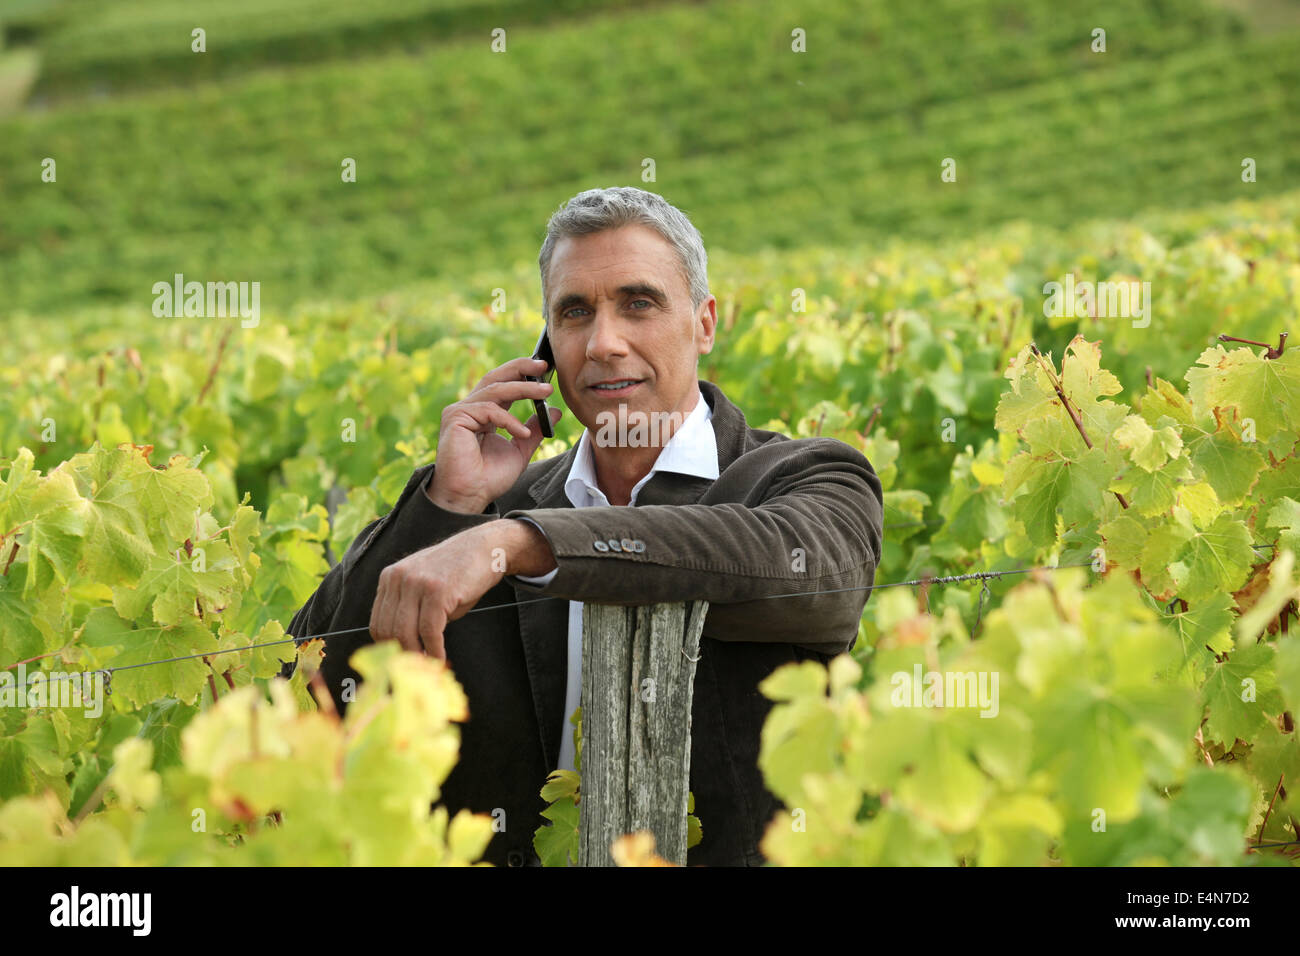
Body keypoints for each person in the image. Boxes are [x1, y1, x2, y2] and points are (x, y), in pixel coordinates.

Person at [284, 186, 884, 866]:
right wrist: (447, 505)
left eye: (638, 303)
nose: (603, 343)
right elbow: (306, 687)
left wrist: (526, 544)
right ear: (546, 346)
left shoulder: (804, 477)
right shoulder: (481, 514)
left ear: (705, 322)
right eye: (574, 313)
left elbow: (811, 575)